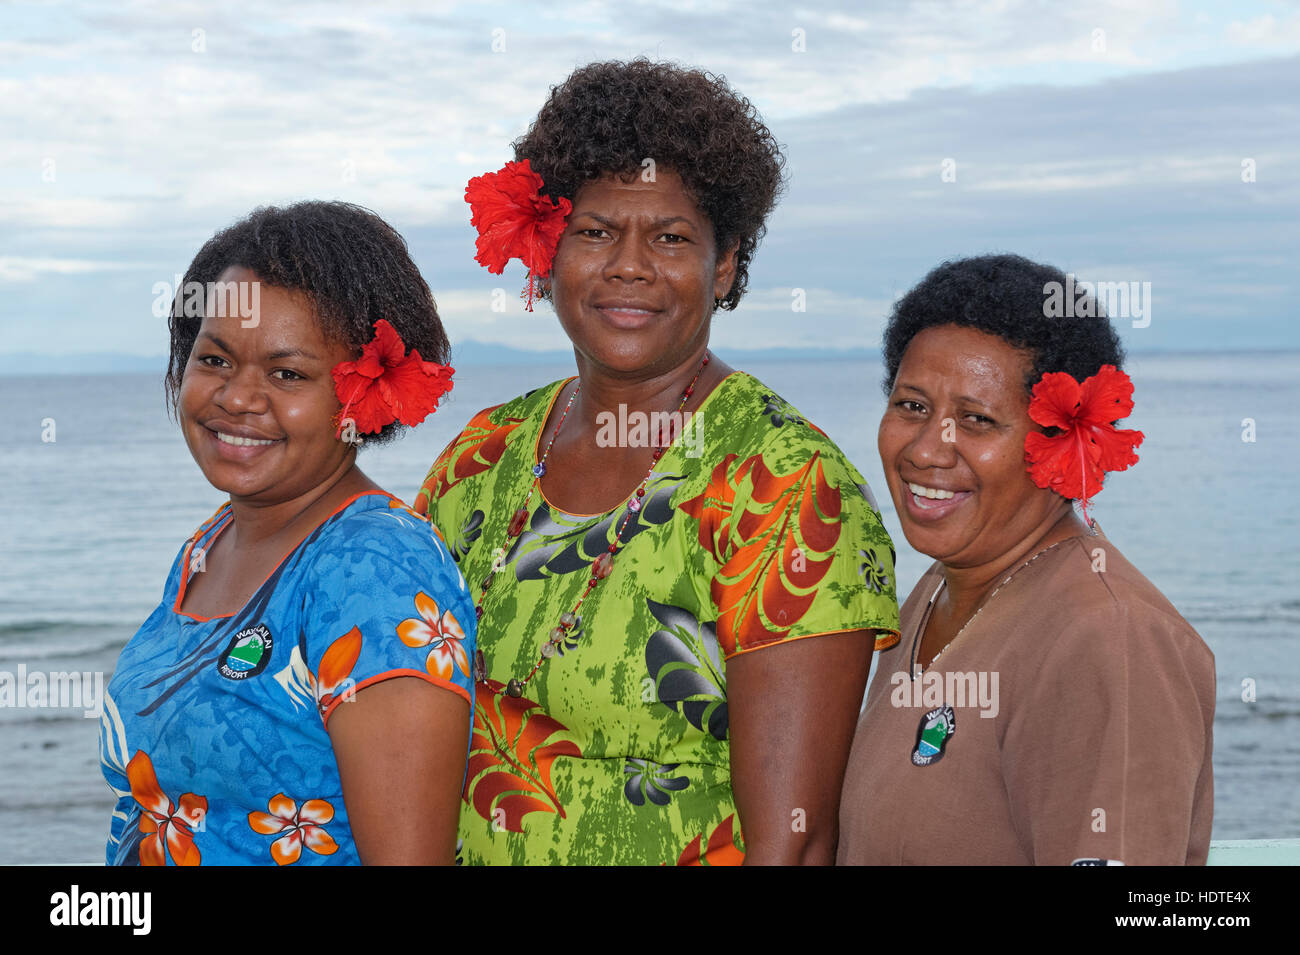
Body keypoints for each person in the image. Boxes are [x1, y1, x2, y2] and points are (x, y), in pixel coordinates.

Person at [414, 59, 900, 866]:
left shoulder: (783, 484)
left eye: (670, 237)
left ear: (724, 264)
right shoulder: (482, 454)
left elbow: (797, 839)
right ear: (548, 251)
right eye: (596, 231)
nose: (628, 265)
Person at [100, 202, 474, 865]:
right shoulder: (211, 544)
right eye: (214, 359)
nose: (238, 397)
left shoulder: (375, 567)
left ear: (360, 395)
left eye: (287, 373)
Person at [837, 254, 1215, 865]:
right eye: (911, 406)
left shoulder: (1110, 640)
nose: (929, 449)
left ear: (1063, 440)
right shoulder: (941, 587)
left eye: (977, 419)